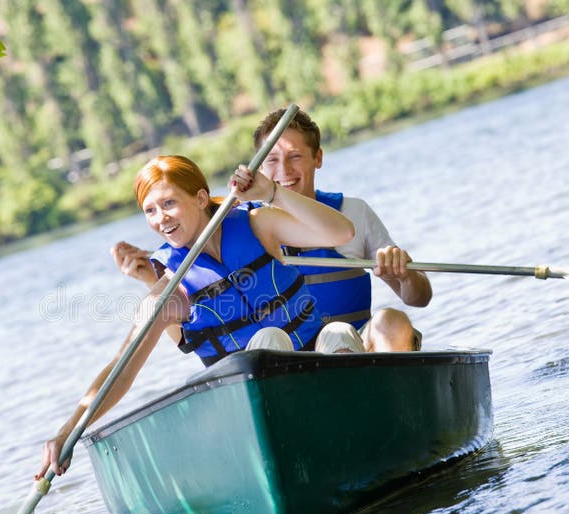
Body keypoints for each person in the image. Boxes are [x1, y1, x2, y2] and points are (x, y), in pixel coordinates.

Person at [38, 155, 354, 478]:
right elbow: (120, 372)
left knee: (339, 332)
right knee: (267, 343)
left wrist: (272, 191)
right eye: (150, 210)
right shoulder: (169, 293)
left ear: (201, 198)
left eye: (169, 203)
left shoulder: (258, 224)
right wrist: (66, 434)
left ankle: (352, 433)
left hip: (320, 380)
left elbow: (341, 232)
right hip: (255, 415)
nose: (160, 218)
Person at [112, 108, 432, 353]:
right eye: (273, 160)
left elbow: (419, 298)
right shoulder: (247, 227)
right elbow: (189, 322)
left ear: (317, 158)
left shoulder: (352, 213)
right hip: (286, 359)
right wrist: (152, 279)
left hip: (358, 352)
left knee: (391, 320)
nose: (284, 171)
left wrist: (403, 275)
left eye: (295, 157)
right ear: (260, 169)